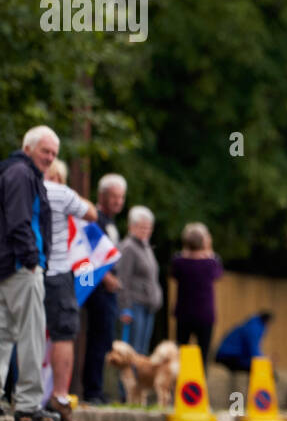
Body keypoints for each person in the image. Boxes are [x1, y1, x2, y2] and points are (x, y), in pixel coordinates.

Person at [0, 126, 57, 421]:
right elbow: (20, 222)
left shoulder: (13, 173)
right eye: (45, 151)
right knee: (31, 332)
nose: (50, 158)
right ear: (28, 148)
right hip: (20, 265)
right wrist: (33, 260)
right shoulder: (23, 176)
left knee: (1, 331)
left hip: (3, 264)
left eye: (53, 153)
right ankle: (27, 402)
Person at [42, 159, 96, 421]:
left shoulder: (20, 188)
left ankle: (24, 396)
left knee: (26, 332)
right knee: (64, 332)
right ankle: (59, 396)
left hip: (28, 269)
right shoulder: (62, 195)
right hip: (59, 271)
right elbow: (92, 213)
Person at [81, 173, 126, 404]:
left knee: (105, 338)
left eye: (121, 197)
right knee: (98, 338)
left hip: (109, 290)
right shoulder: (94, 219)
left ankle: (98, 389)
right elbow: (89, 251)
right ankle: (92, 391)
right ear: (102, 196)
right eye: (114, 197)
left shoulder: (112, 222)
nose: (118, 201)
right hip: (96, 288)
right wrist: (106, 276)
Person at [170, 222, 223, 363]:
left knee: (180, 353)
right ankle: (201, 382)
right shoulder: (211, 263)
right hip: (205, 315)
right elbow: (218, 273)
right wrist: (209, 249)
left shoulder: (178, 261)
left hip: (183, 314)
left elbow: (174, 272)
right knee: (203, 355)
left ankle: (179, 383)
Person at [115, 205, 162, 356]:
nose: (146, 231)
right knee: (132, 352)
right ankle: (127, 380)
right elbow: (123, 279)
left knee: (142, 351)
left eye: (149, 228)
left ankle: (138, 380)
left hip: (148, 305)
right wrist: (125, 307)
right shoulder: (129, 248)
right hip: (135, 305)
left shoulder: (146, 247)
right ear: (131, 227)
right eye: (142, 227)